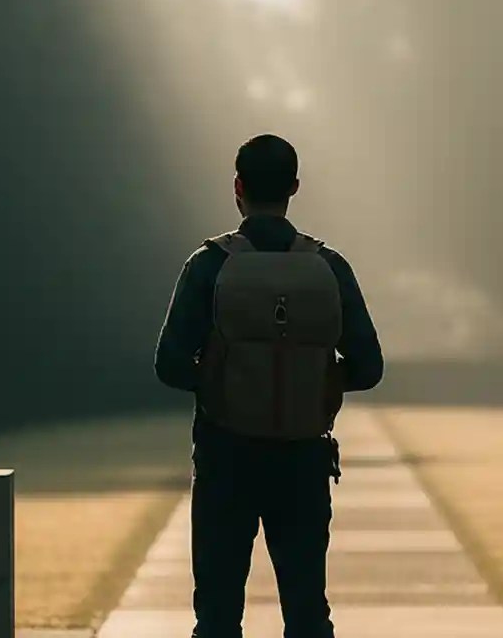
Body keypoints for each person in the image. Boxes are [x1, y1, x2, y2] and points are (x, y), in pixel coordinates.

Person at [155, 133, 384, 638]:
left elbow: (169, 363)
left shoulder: (209, 265)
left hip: (224, 458)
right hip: (302, 458)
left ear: (237, 186)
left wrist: (221, 380)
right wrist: (320, 380)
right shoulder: (328, 267)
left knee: (217, 617)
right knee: (306, 613)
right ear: (294, 187)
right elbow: (369, 367)